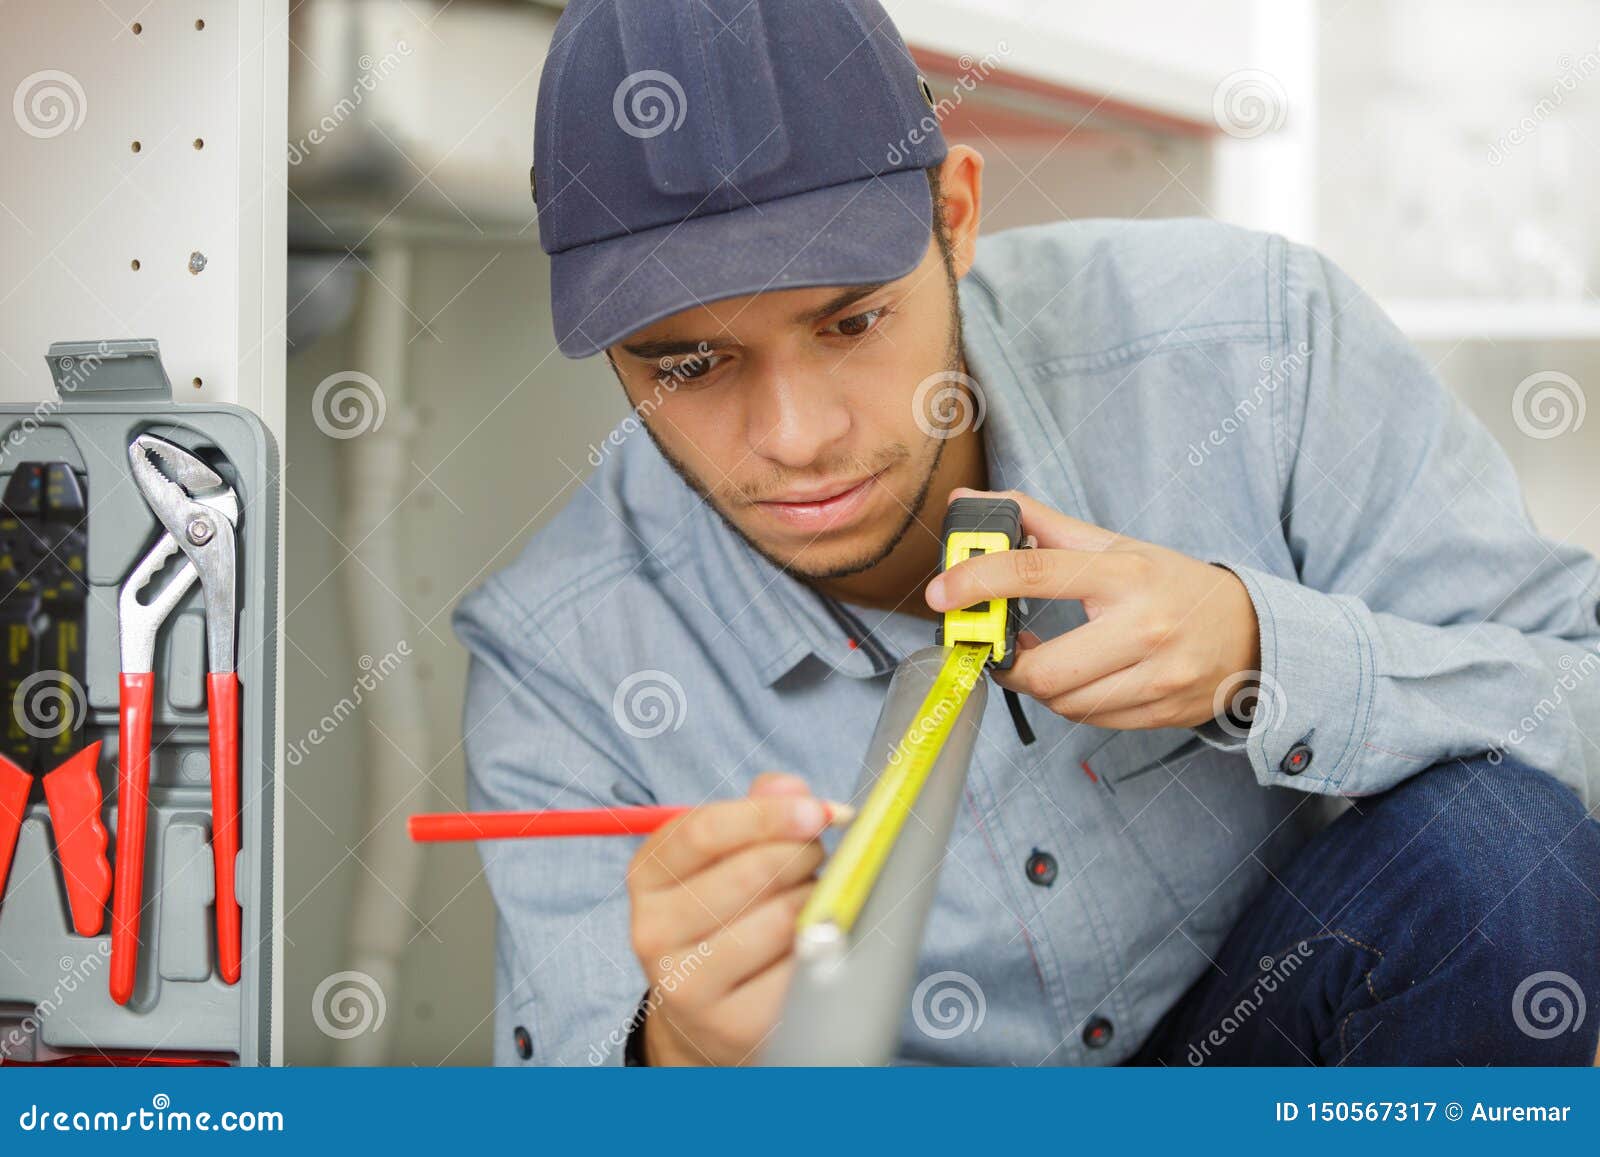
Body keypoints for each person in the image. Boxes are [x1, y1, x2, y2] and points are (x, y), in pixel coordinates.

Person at [453, 0, 1600, 1067]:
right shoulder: (557, 659)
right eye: (693, 364)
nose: (797, 437)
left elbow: (1578, 697)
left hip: (1257, 1059)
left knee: (1502, 850)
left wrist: (1262, 648)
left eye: (852, 321)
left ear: (955, 217)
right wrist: (677, 1054)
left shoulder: (1258, 342)